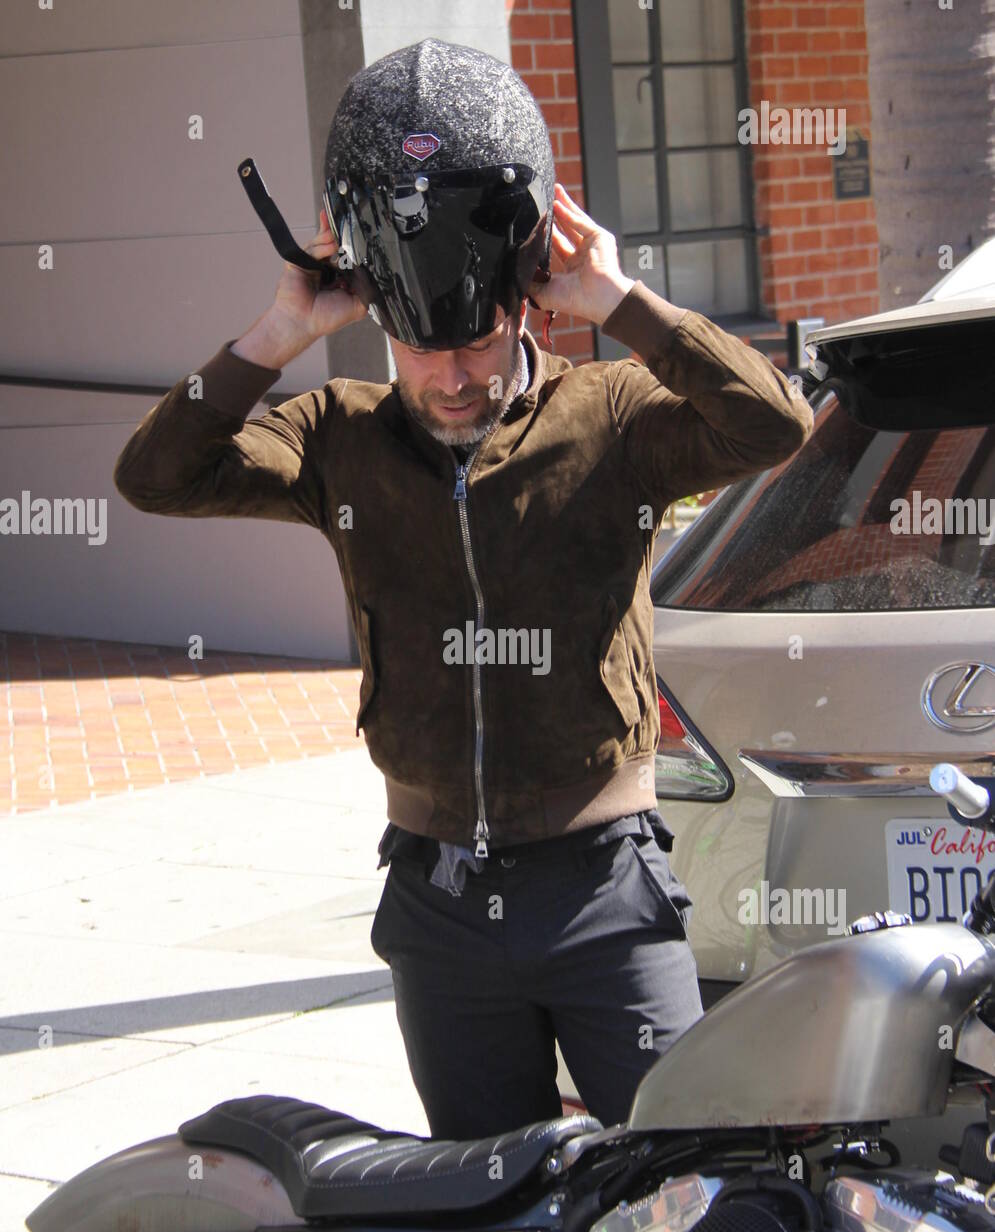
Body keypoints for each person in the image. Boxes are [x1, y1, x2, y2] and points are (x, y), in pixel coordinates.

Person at [114, 39, 814, 1141]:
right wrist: (279, 331)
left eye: (477, 347)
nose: (450, 379)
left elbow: (777, 422)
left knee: (693, 1177)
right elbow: (153, 475)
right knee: (488, 1217)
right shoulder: (332, 438)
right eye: (417, 351)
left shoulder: (614, 417)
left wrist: (619, 298)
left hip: (603, 896)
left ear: (528, 305)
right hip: (437, 908)